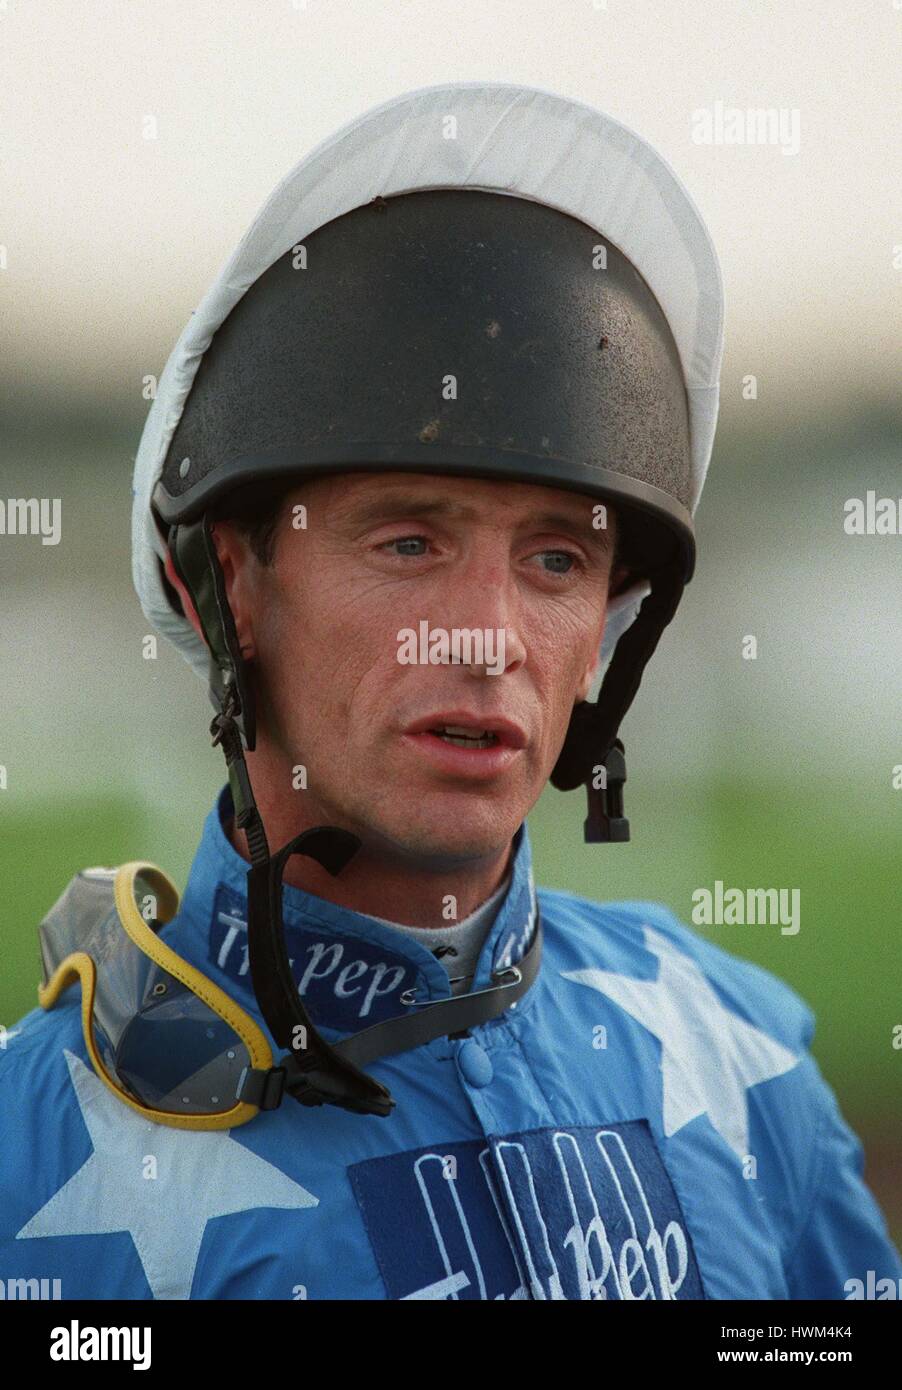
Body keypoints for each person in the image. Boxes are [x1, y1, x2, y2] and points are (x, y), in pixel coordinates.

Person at [1, 82, 898, 1302]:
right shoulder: (26, 1153)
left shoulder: (743, 1054)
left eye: (556, 560)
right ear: (225, 584)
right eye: (409, 542)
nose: (485, 638)